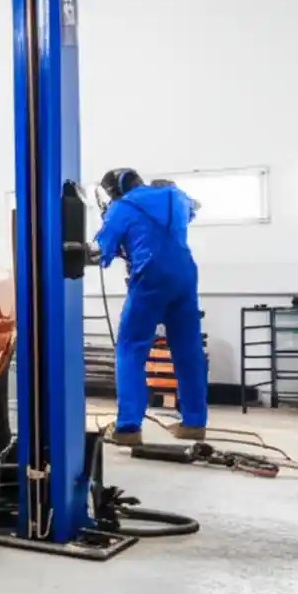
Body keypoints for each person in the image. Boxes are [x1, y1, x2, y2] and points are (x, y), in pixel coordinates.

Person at [94, 168, 207, 446]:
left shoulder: (121, 207)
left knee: (130, 348)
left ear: (114, 191)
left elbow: (101, 248)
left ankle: (128, 427)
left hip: (150, 276)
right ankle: (194, 423)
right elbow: (194, 208)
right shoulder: (174, 197)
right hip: (185, 276)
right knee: (188, 350)